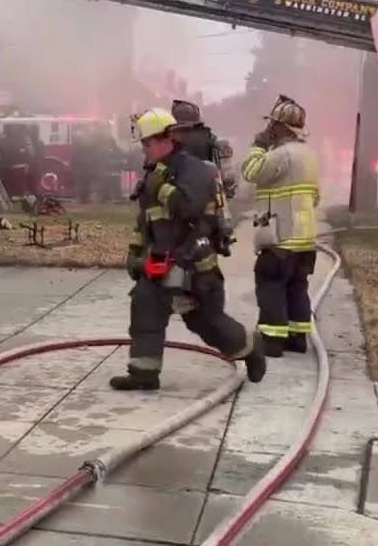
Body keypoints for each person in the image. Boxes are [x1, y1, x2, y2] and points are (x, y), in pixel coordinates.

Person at [111, 108, 267, 391]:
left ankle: (250, 346)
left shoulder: (195, 169)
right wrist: (135, 253)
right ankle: (143, 373)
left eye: (147, 144)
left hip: (195, 265)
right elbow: (145, 220)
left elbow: (189, 207)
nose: (144, 151)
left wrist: (161, 188)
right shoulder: (154, 173)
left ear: (166, 139)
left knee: (206, 324)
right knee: (145, 306)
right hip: (162, 260)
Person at [239, 95, 321, 357]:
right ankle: (298, 337)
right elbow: (315, 197)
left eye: (273, 125)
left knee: (270, 285)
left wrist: (257, 145)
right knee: (297, 287)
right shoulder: (309, 155)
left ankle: (272, 340)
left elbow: (251, 171)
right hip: (305, 241)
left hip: (280, 239)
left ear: (283, 127)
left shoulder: (281, 154)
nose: (270, 129)